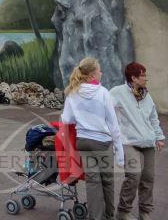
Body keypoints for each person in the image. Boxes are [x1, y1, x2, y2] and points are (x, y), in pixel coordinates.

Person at [61, 57, 123, 220]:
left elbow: (67, 119)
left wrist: (82, 118)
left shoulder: (73, 92)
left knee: (92, 182)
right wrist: (120, 151)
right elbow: (113, 123)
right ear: (92, 75)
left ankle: (96, 217)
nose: (101, 73)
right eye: (99, 70)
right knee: (107, 181)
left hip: (83, 142)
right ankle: (109, 216)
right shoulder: (103, 93)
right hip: (102, 143)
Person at [110, 62, 165, 220]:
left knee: (148, 178)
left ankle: (145, 212)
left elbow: (153, 118)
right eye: (143, 75)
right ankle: (123, 211)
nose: (146, 78)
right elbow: (105, 110)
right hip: (128, 142)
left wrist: (159, 137)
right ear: (133, 78)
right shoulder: (117, 92)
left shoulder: (146, 95)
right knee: (134, 176)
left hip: (148, 142)